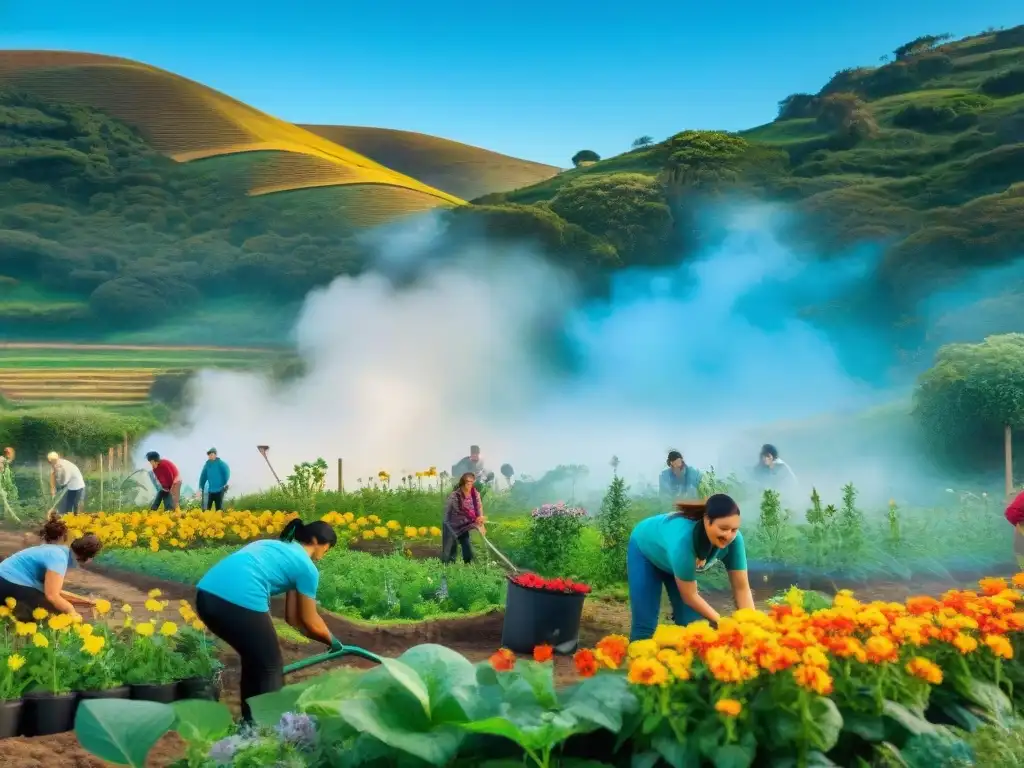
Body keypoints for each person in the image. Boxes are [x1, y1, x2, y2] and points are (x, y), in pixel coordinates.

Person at [194, 518, 342, 722]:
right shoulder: (307, 568)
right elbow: (310, 619)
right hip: (238, 599)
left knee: (257, 661)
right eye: (327, 548)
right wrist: (333, 641)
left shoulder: (275, 547)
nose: (325, 554)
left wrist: (318, 635)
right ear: (317, 541)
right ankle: (268, 729)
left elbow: (293, 619)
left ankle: (251, 725)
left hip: (206, 596)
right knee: (270, 666)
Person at [627, 494, 754, 641]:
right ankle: (637, 660)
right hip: (646, 550)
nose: (729, 535)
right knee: (644, 628)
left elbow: (741, 588)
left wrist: (751, 626)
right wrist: (723, 623)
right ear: (707, 521)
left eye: (734, 529)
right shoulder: (684, 542)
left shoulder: (734, 541)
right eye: (723, 528)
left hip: (676, 560)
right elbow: (690, 596)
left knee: (693, 627)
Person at [0, 516, 102, 621]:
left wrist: (85, 601)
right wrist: (72, 612)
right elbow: (52, 596)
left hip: (5, 580)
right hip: (9, 582)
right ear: (89, 558)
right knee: (48, 613)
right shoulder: (59, 558)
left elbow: (55, 591)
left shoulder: (58, 552)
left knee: (50, 606)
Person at [442, 472, 485, 564]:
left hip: (463, 525)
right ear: (462, 482)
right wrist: (475, 523)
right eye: (467, 481)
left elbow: (479, 507)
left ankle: (468, 566)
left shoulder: (475, 494)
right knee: (450, 549)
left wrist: (481, 520)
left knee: (467, 545)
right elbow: (462, 511)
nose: (470, 484)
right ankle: (447, 566)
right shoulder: (455, 496)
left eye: (471, 481)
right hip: (451, 524)